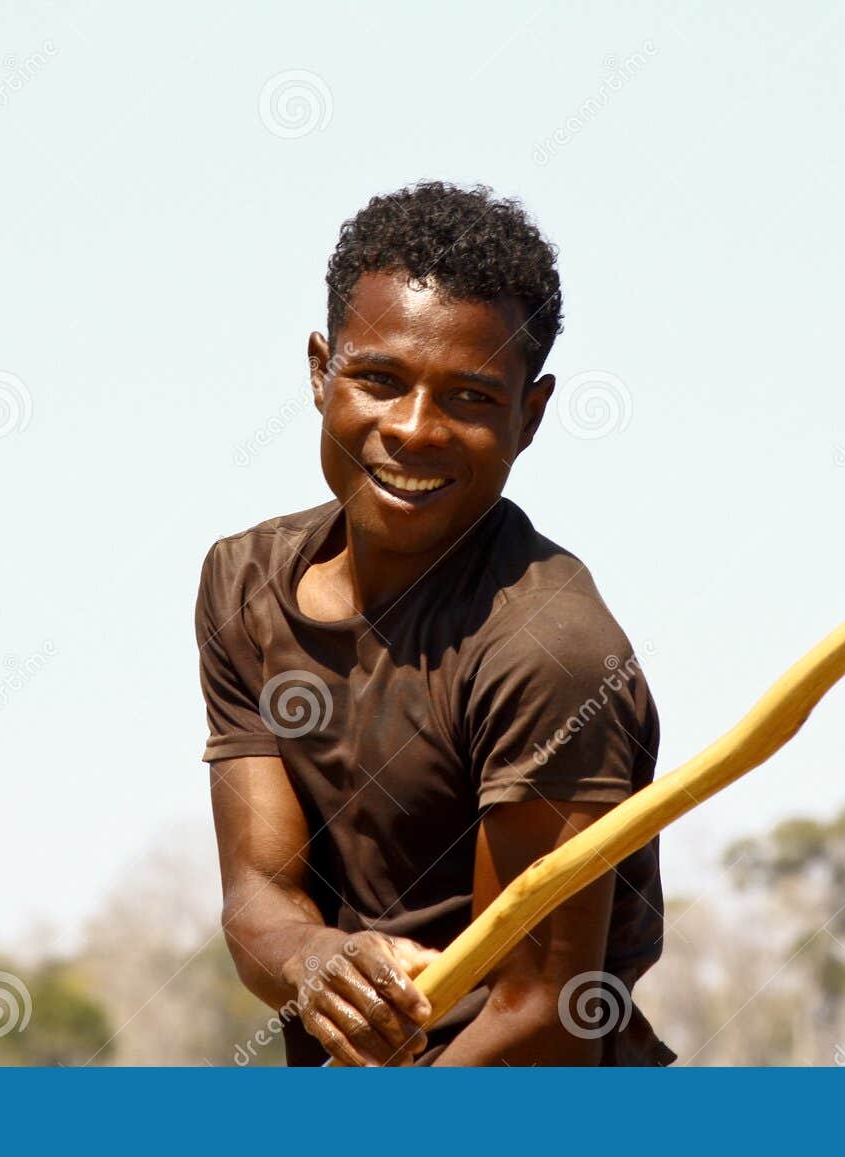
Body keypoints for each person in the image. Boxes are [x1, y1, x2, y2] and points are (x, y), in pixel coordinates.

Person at [196, 181, 672, 1066]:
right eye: (378, 379)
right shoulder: (245, 585)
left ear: (529, 415)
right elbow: (257, 895)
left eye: (469, 398)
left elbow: (544, 1021)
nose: (415, 430)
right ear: (319, 371)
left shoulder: (552, 653)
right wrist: (317, 960)